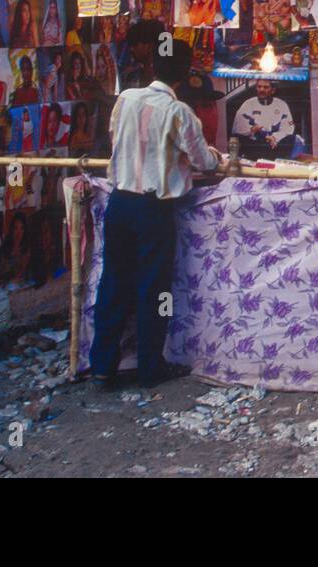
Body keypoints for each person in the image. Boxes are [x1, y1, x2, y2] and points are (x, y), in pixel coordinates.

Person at [89, 39, 221, 389]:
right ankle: (150, 365)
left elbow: (116, 139)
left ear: (152, 68)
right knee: (156, 290)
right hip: (153, 210)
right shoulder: (178, 113)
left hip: (120, 203)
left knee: (113, 283)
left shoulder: (126, 100)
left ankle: (102, 366)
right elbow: (203, 161)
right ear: (184, 74)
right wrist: (212, 157)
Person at [231, 79, 296, 159]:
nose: (262, 89)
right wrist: (251, 129)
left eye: (265, 87)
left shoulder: (281, 105)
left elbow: (288, 128)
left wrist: (275, 137)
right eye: (259, 87)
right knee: (237, 138)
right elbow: (237, 126)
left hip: (274, 144)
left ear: (272, 90)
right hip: (255, 143)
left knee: (293, 138)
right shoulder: (248, 103)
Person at [120, 19, 163, 90]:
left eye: (134, 45)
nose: (131, 49)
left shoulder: (165, 78)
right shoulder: (131, 75)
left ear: (149, 46)